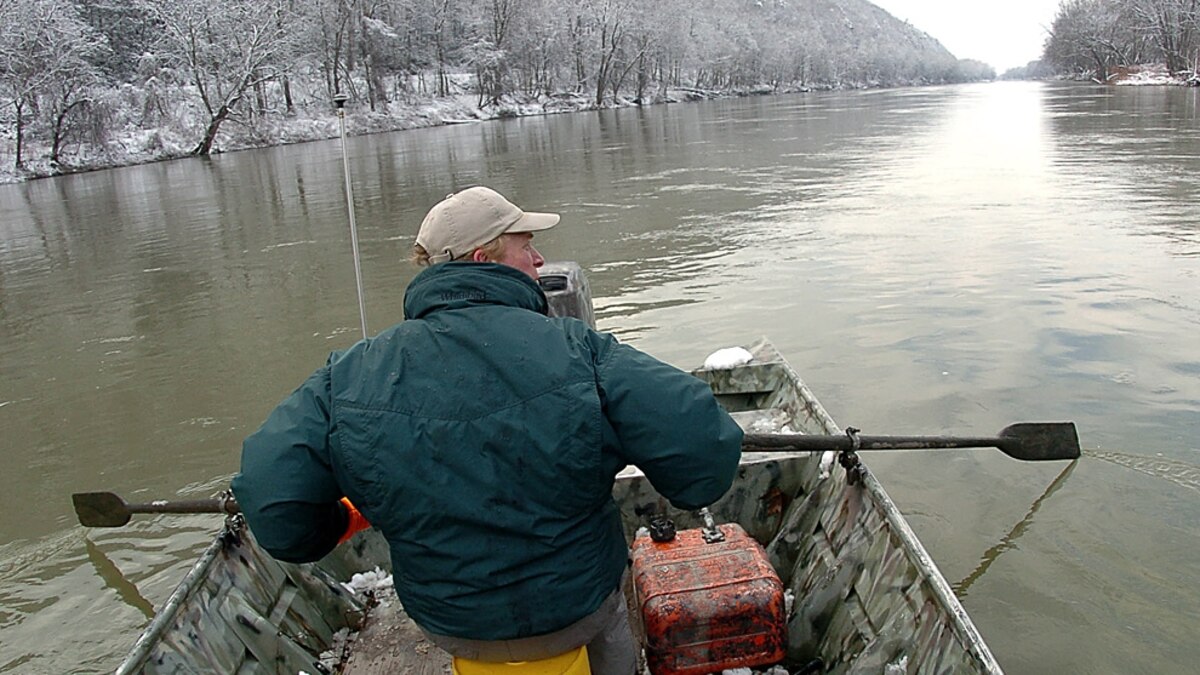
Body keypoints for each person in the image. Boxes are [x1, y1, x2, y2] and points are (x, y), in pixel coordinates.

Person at [231, 186, 744, 675]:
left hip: (452, 623)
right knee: (605, 630)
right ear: (483, 259)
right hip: (576, 606)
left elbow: (274, 505)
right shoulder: (582, 352)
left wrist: (331, 524)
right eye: (526, 246)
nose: (539, 260)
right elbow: (707, 447)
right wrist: (664, 475)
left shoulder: (346, 376)